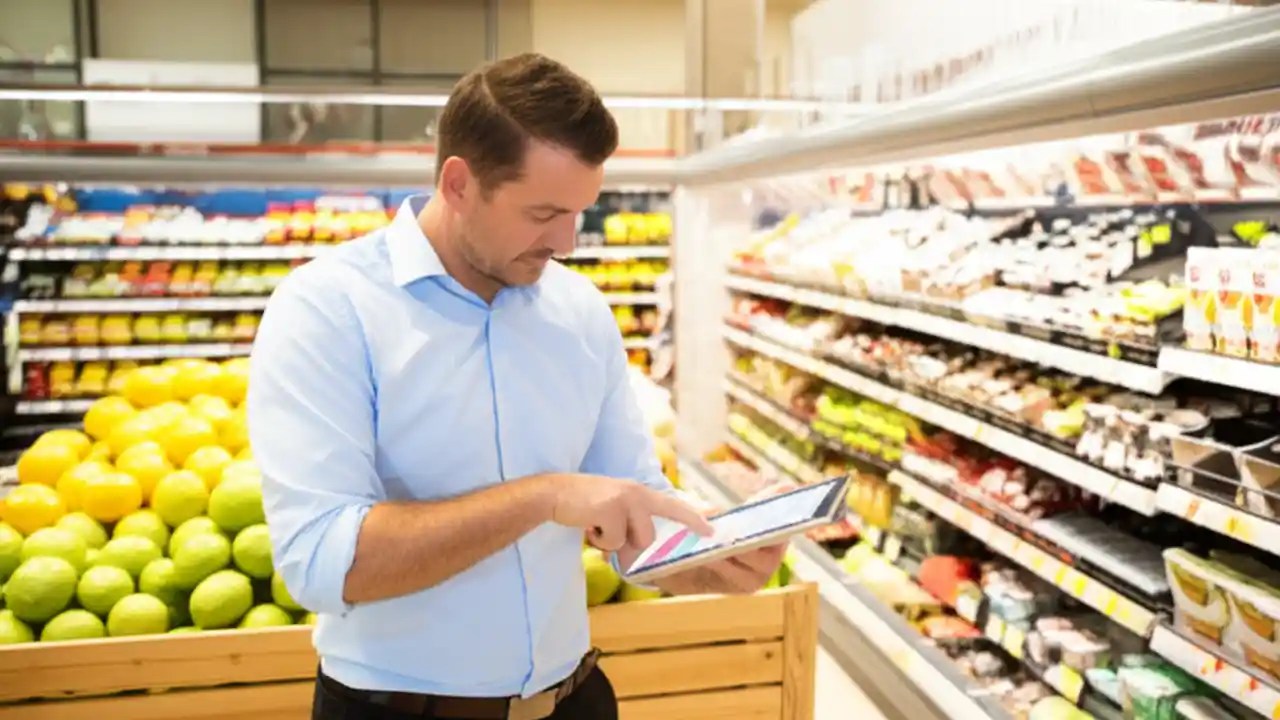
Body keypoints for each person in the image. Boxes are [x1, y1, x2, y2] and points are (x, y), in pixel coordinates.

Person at [247, 53, 788, 720]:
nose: (567, 241)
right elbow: (323, 562)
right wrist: (545, 496)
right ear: (458, 184)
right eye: (543, 213)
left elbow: (631, 510)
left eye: (580, 212)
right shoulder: (329, 309)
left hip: (574, 699)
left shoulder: (579, 311)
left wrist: (712, 557)